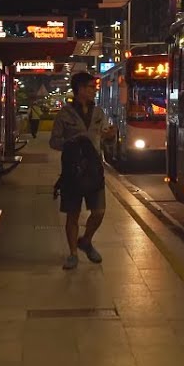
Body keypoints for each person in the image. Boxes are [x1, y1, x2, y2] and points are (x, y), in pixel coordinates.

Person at [49, 72, 114, 270]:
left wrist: (110, 135)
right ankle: (73, 254)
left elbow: (104, 137)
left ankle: (86, 240)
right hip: (72, 171)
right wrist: (72, 141)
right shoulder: (65, 114)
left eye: (94, 87)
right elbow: (54, 141)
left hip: (94, 170)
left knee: (99, 211)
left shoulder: (99, 113)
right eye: (90, 87)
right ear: (79, 89)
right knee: (73, 214)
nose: (94, 90)